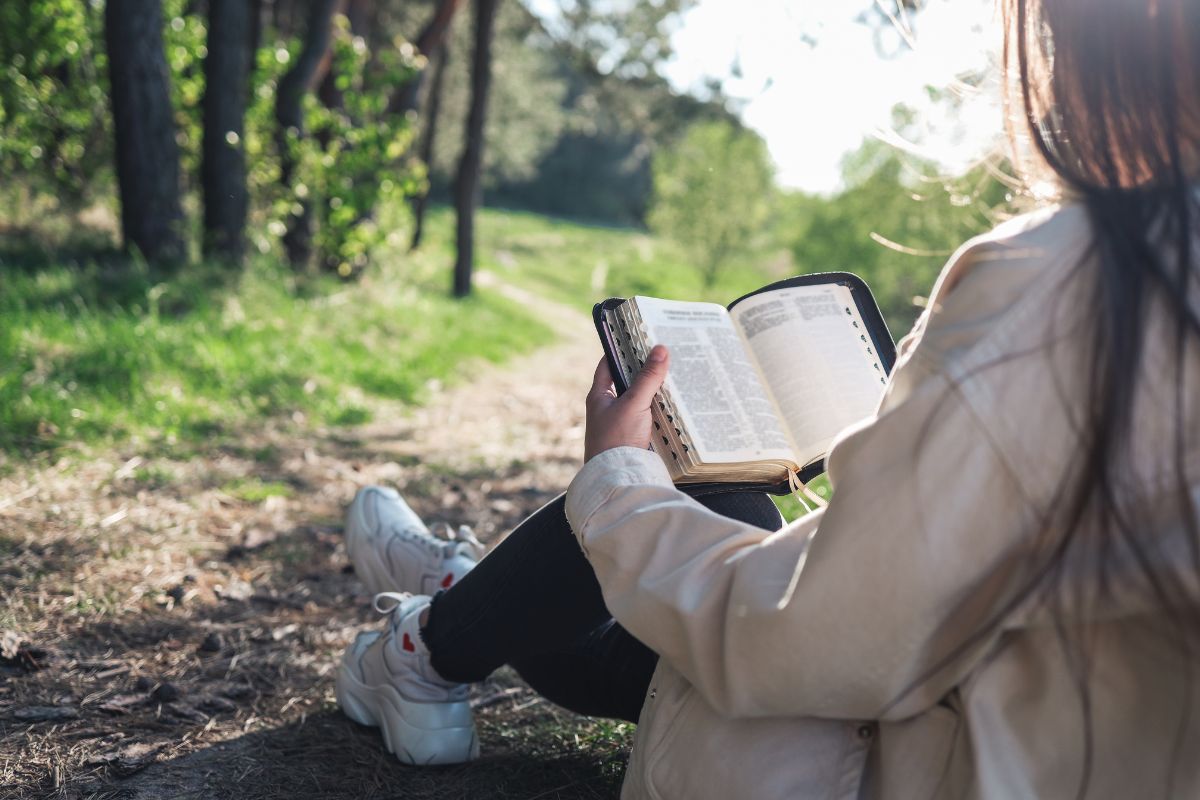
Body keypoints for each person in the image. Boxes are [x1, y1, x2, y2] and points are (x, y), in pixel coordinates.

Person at [334, 0, 1200, 796]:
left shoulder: (1073, 280)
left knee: (678, 498)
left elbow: (816, 642)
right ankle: (462, 592)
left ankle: (430, 636)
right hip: (1006, 708)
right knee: (727, 502)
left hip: (922, 747)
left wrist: (617, 482)